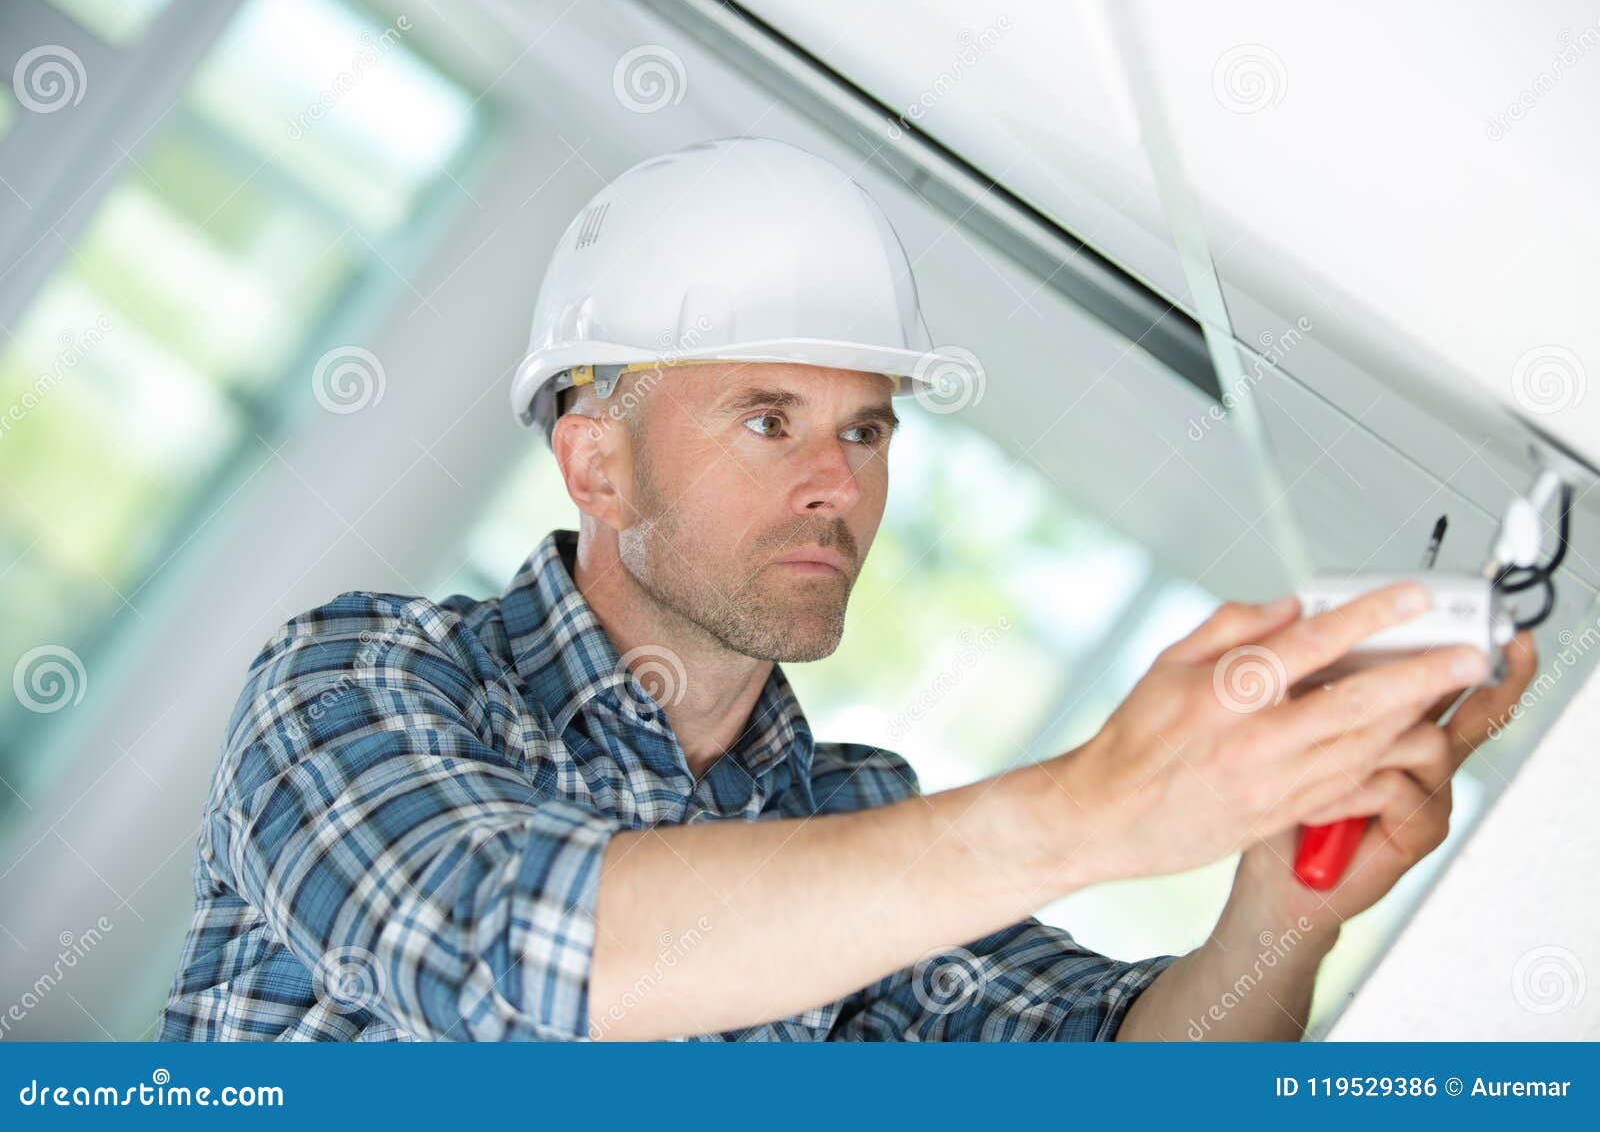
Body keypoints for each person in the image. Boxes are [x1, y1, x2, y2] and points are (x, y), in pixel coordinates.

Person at [157, 137, 1535, 1042]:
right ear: (597, 463)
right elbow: (509, 957)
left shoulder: (850, 824)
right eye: (769, 419)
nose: (837, 482)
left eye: (865, 430)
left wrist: (1287, 911)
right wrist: (1094, 808)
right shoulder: (358, 683)